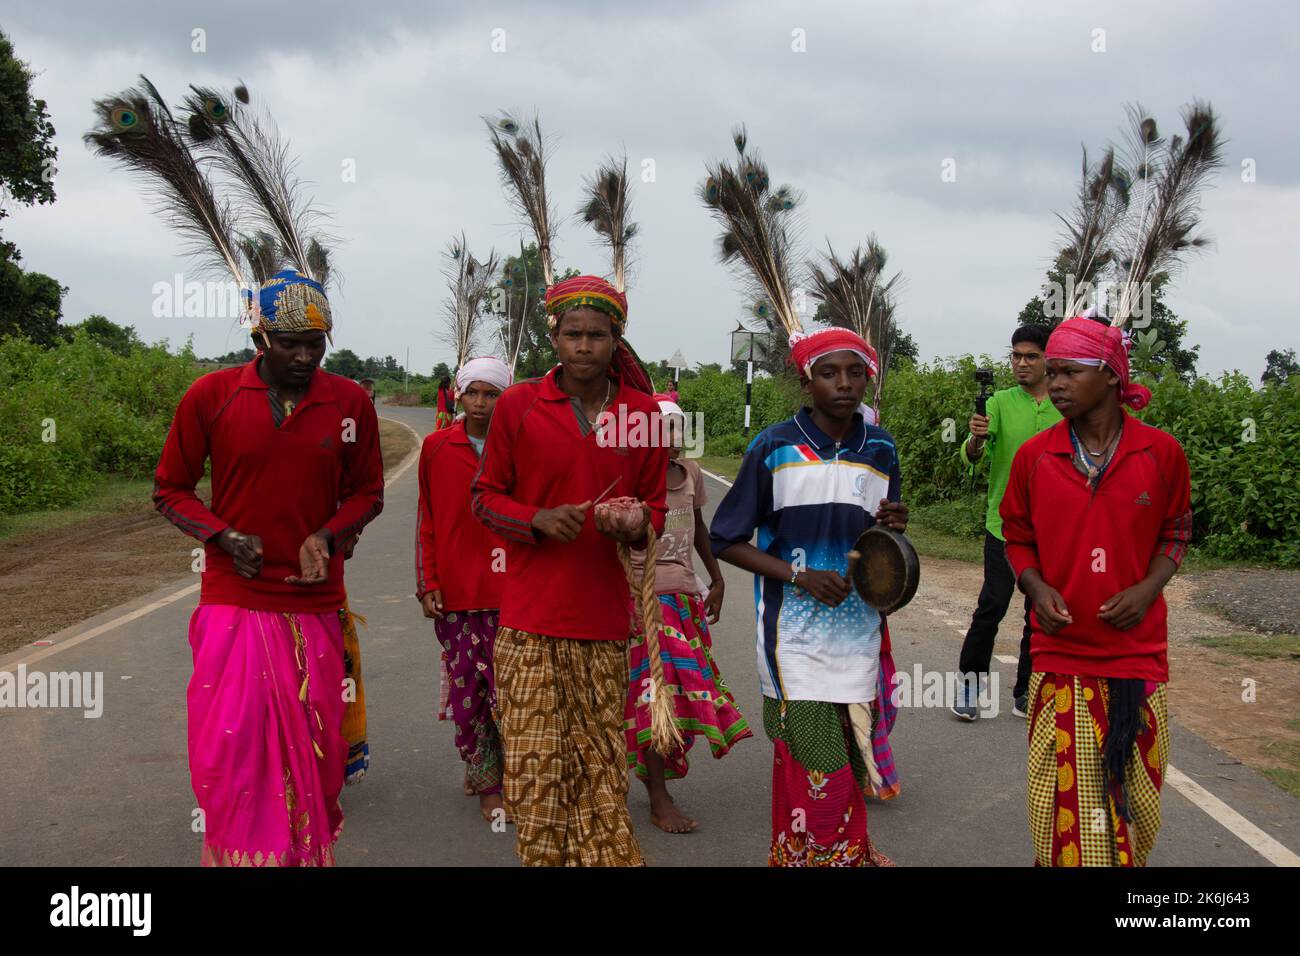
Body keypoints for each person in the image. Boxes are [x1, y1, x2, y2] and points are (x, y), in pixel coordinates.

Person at [153, 269, 384, 866]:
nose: (305, 356)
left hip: (312, 599)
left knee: (314, 747)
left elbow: (368, 492)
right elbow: (171, 488)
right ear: (261, 337)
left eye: (316, 343)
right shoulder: (212, 396)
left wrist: (330, 534)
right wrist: (222, 536)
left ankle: (302, 857)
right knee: (231, 746)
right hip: (235, 593)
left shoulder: (349, 402)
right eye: (290, 344)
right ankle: (238, 857)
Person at [471, 275, 667, 866]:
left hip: (606, 623)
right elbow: (485, 497)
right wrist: (535, 520)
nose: (584, 346)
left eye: (597, 336)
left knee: (600, 767)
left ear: (616, 341)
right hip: (529, 621)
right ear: (552, 337)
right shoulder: (518, 405)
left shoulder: (643, 415)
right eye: (572, 334)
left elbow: (655, 506)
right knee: (536, 768)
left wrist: (633, 524)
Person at [710, 327, 908, 867]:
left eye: (854, 372)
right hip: (791, 641)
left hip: (858, 637)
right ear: (807, 380)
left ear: (868, 377)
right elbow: (724, 539)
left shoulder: (882, 448)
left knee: (842, 755)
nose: (843, 384)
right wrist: (800, 578)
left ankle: (808, 855)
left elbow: (886, 544)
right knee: (821, 767)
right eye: (828, 373)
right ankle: (830, 857)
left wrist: (897, 523)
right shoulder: (774, 447)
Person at [1000, 315, 1191, 867]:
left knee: (1137, 815)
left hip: (1137, 658)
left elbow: (1176, 531)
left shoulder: (1160, 454)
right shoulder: (1034, 458)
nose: (1054, 383)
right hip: (1061, 659)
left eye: (1068, 372)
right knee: (1070, 827)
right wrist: (1036, 589)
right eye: (1050, 372)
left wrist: (1147, 589)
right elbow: (1017, 537)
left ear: (1110, 375)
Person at [624, 392, 751, 833]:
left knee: (679, 695)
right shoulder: (629, 480)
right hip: (641, 601)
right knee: (655, 695)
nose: (671, 438)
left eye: (676, 429)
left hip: (683, 598)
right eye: (661, 430)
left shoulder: (691, 474)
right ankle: (658, 796)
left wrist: (716, 579)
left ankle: (653, 782)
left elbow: (699, 531)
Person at [416, 356, 512, 822]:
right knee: (469, 695)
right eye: (472, 392)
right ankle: (487, 783)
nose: (479, 403)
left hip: (513, 594)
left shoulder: (519, 446)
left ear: (504, 398)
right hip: (456, 595)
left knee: (510, 695)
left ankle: (505, 774)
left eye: (490, 394)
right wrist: (426, 582)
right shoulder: (436, 447)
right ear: (458, 394)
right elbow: (427, 518)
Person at [952, 325, 1061, 721]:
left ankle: (1026, 693)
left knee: (1039, 612)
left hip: (1053, 531)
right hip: (1004, 525)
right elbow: (973, 456)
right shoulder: (997, 402)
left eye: (1030, 356)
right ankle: (968, 688)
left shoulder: (1065, 404)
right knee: (991, 607)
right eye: (1015, 356)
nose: (1021, 363)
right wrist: (976, 440)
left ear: (1049, 358)